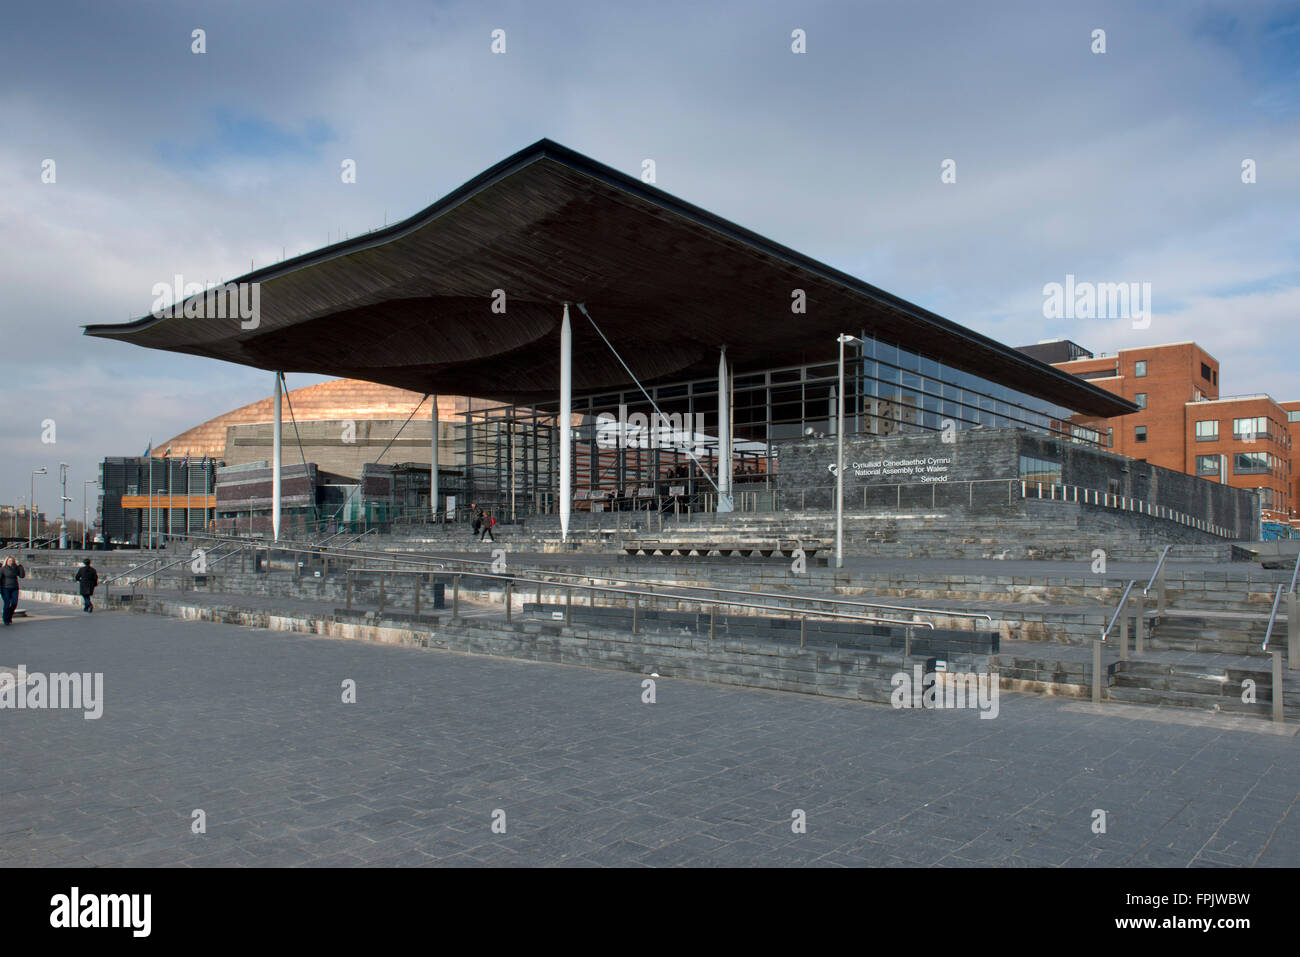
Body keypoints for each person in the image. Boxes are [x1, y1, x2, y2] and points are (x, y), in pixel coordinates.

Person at [1, 556, 25, 626]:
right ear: (6, 561)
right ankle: (6, 618)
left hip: (14, 588)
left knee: (14, 603)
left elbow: (22, 576)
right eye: (9, 561)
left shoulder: (15, 568)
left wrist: (20, 567)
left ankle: (9, 616)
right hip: (5, 588)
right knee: (7, 603)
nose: (10, 562)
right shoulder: (3, 569)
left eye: (12, 561)